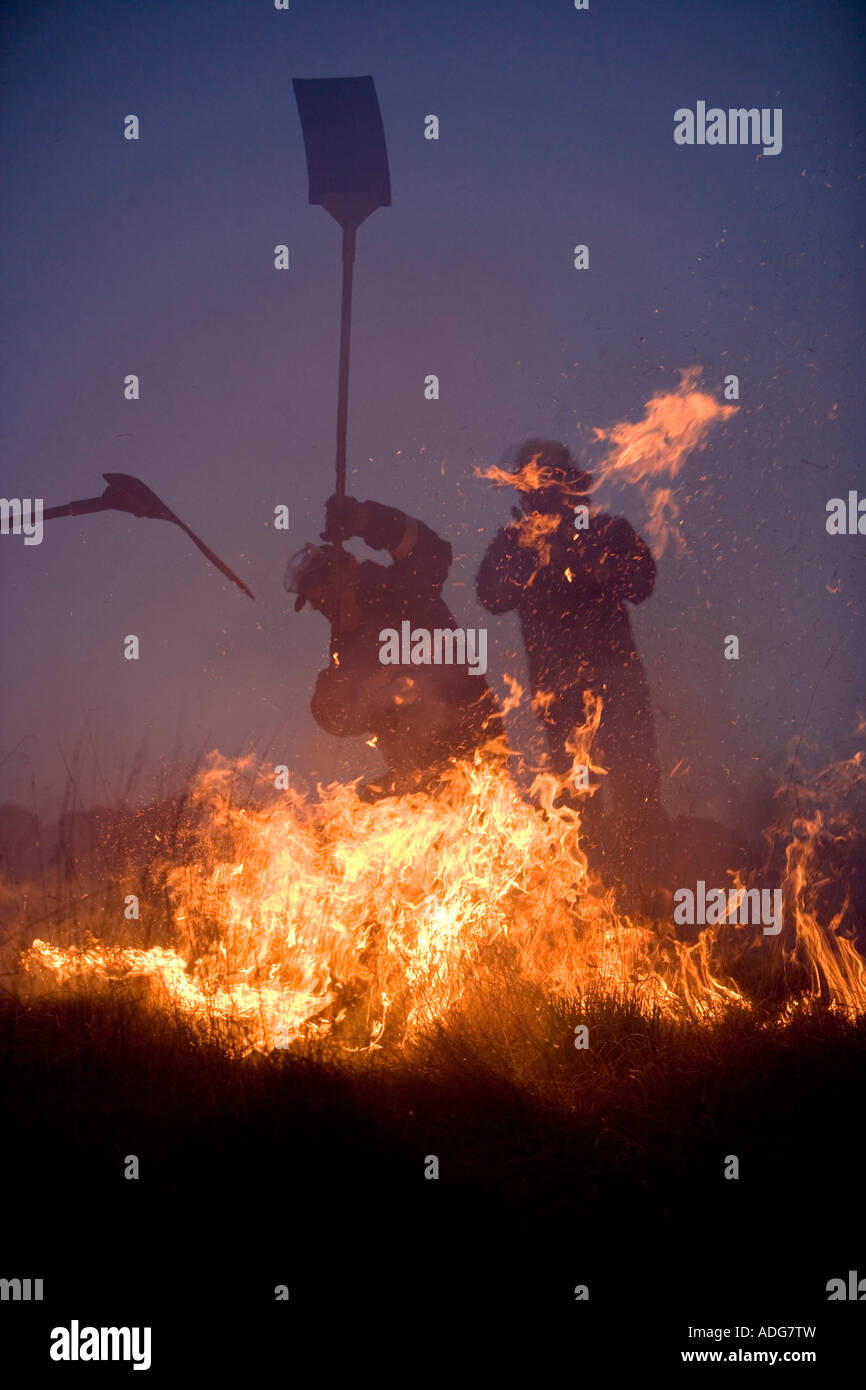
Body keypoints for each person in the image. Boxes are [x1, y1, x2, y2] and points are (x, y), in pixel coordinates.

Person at [475, 439, 662, 888]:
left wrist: (599, 562)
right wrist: (530, 551)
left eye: (552, 479)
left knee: (638, 788)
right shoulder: (514, 542)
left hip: (620, 684)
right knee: (580, 802)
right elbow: (491, 596)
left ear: (572, 484)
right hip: (560, 694)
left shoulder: (606, 530)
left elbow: (643, 580)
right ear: (523, 491)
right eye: (534, 483)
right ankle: (596, 896)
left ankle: (653, 887)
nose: (543, 493)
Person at [287, 494, 504, 796]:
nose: (322, 604)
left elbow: (432, 553)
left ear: (347, 567)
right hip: (414, 772)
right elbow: (337, 714)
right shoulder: (346, 648)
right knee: (352, 822)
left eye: (324, 588)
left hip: (471, 754)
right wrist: (350, 699)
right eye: (315, 601)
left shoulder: (398, 593)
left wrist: (364, 519)